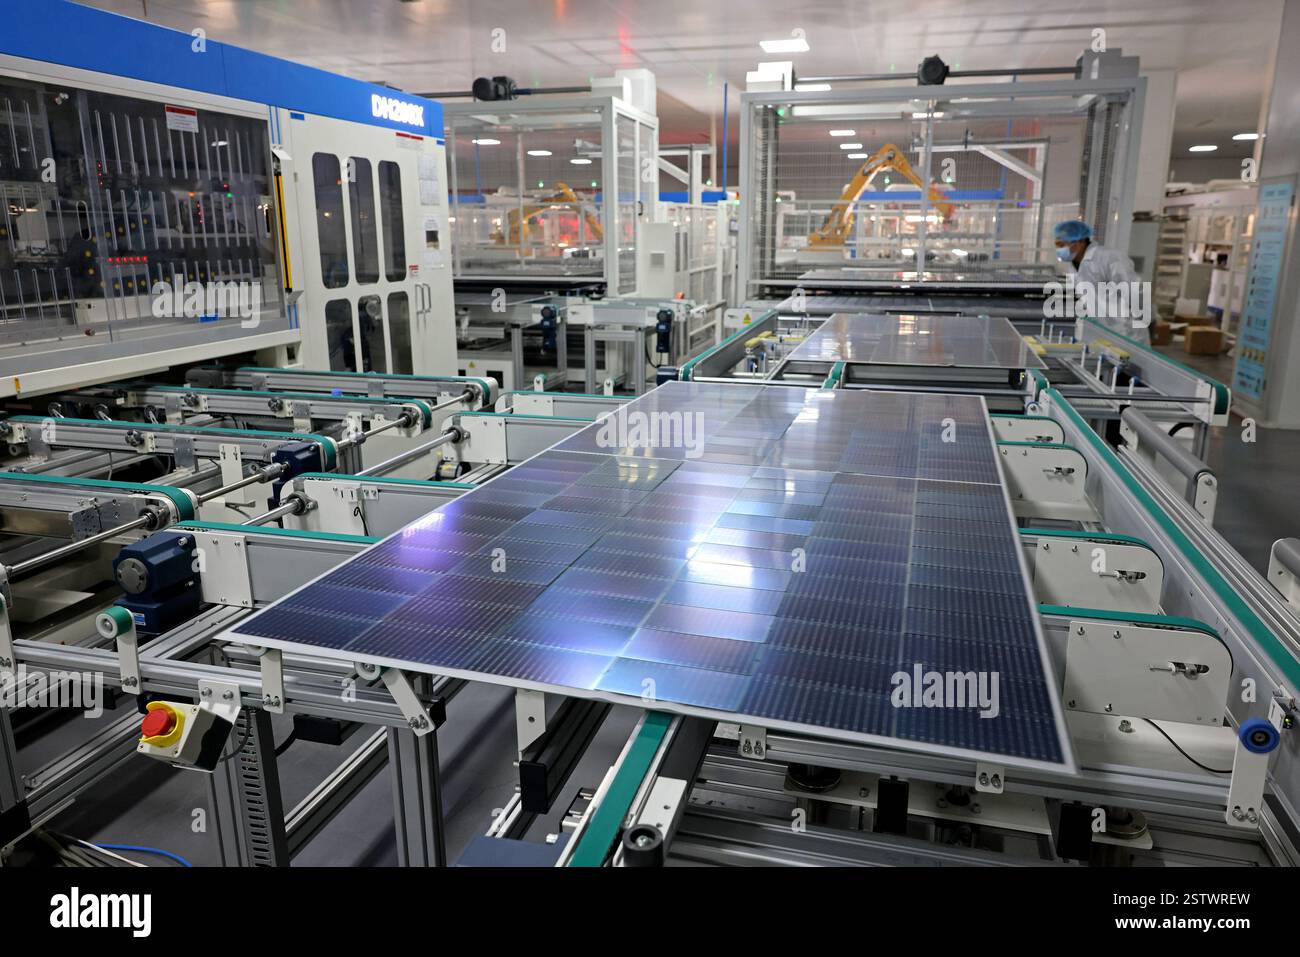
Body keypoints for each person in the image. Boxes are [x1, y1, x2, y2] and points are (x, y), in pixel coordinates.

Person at [1053, 219, 1149, 344]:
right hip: (1101, 332)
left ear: (1080, 242)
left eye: (1062, 245)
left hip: (1126, 332)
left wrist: (1138, 320)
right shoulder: (1073, 265)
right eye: (1058, 245)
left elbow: (1134, 291)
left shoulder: (1109, 258)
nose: (1060, 249)